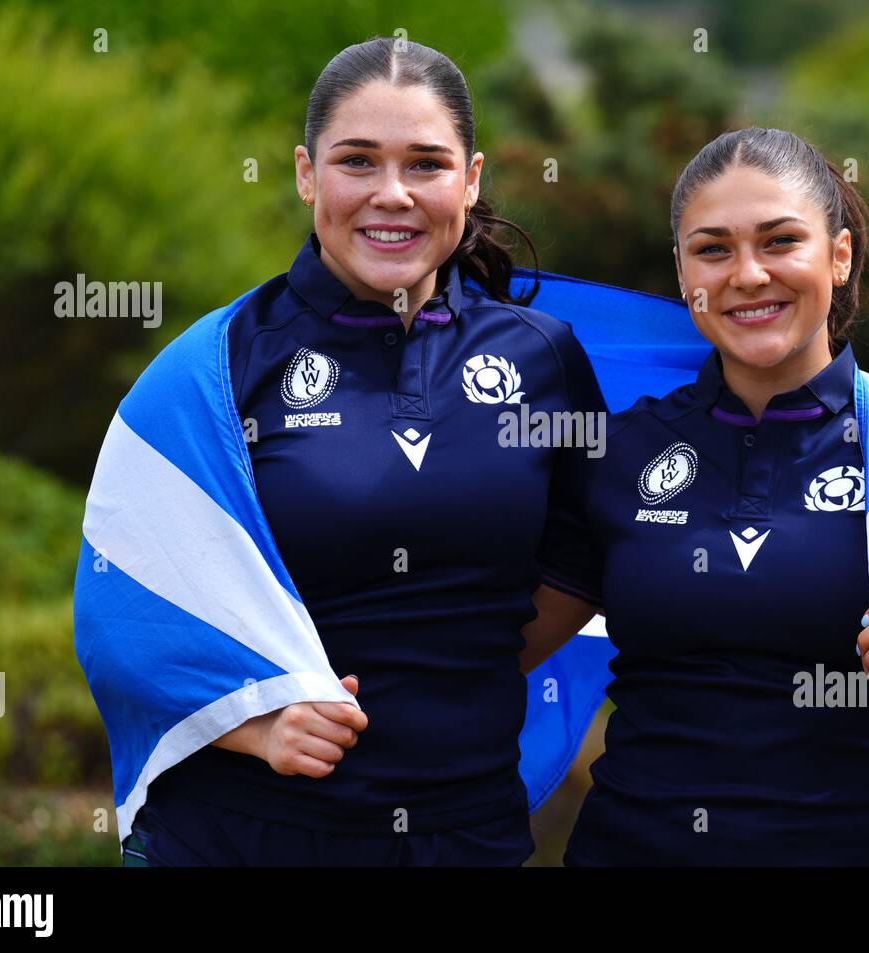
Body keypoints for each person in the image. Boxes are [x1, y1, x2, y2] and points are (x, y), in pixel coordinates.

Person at [115, 36, 607, 866]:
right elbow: (121, 595)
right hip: (235, 836)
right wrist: (252, 718)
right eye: (357, 162)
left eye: (425, 165)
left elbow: (583, 558)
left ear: (472, 178)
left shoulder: (545, 358)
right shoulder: (217, 363)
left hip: (466, 832)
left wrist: (458, 666)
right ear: (307, 174)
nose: (392, 195)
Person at [527, 127, 869, 866]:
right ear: (683, 271)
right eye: (713, 249)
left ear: (838, 256)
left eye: (780, 241)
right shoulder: (618, 453)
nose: (748, 274)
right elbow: (505, 643)